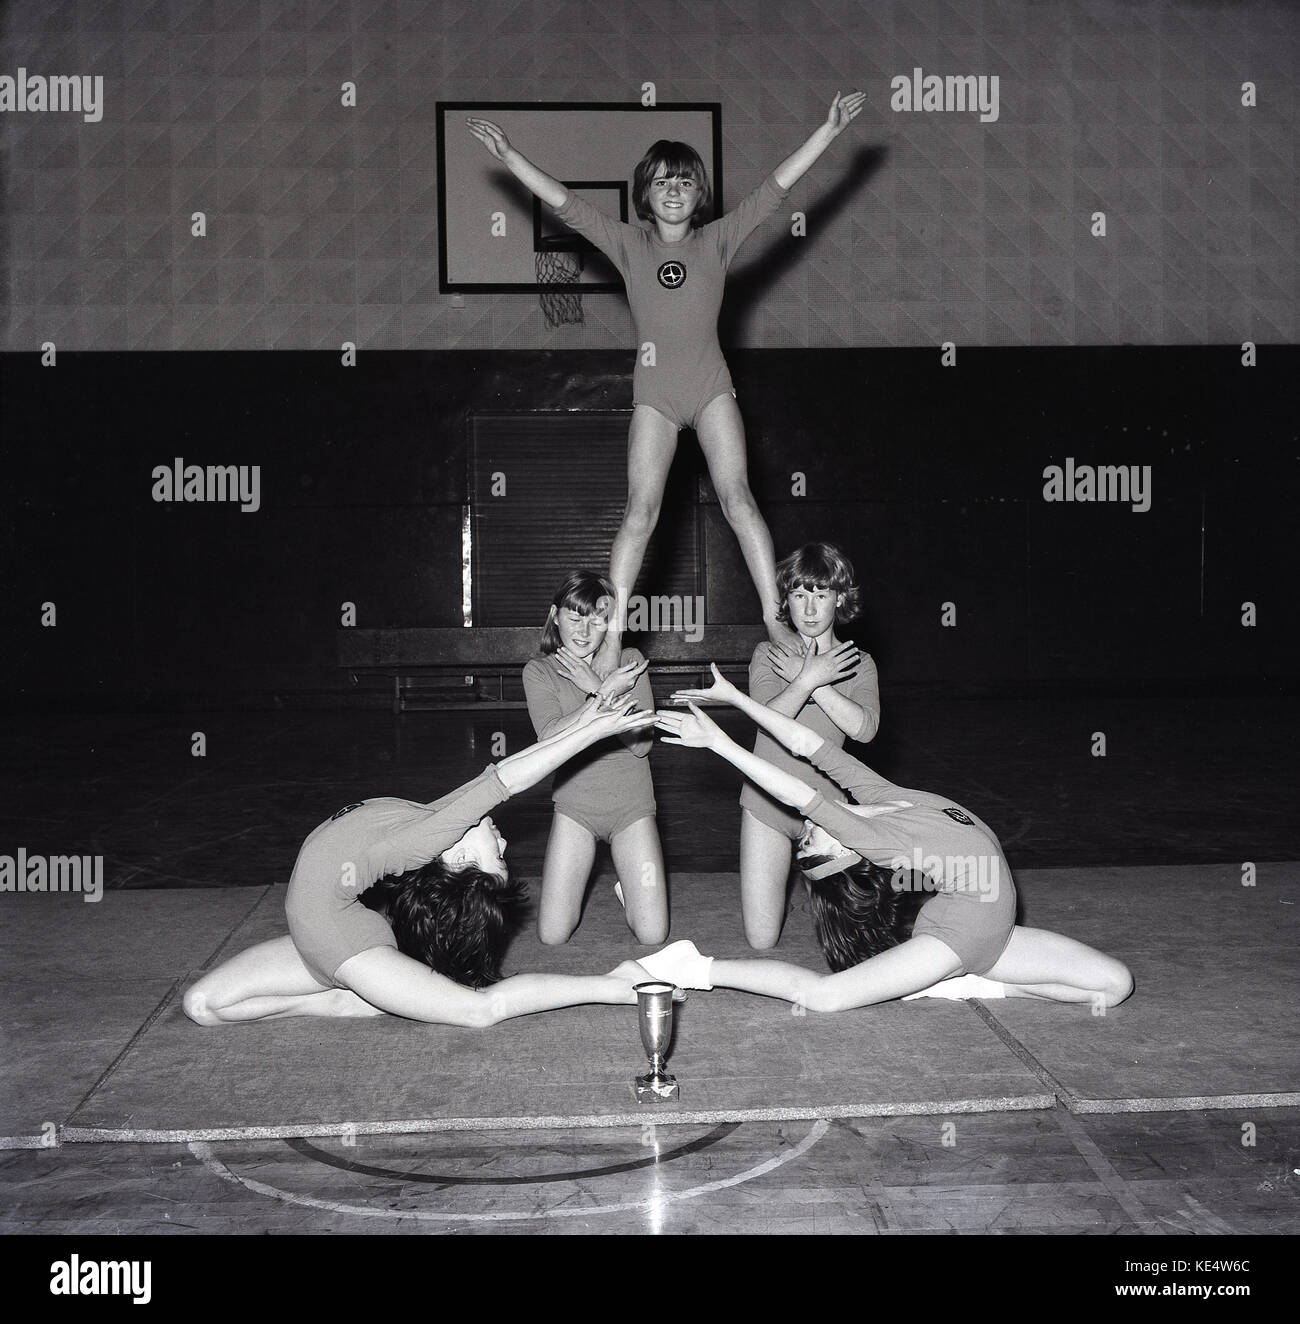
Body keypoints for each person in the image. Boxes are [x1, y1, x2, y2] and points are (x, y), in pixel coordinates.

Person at [467, 92, 868, 664]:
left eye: (683, 181)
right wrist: (510, 155)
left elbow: (775, 189)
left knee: (738, 498)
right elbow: (565, 203)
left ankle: (774, 620)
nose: (673, 190)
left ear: (699, 194)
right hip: (654, 396)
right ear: (645, 197)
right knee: (640, 511)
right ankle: (611, 638)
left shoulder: (718, 240)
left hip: (710, 389)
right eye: (661, 182)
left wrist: (827, 133)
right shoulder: (630, 245)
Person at [650, 669, 1133, 1011]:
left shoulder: (879, 795)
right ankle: (693, 966)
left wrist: (737, 700)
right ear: (848, 852)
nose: (808, 833)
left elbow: (806, 745)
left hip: (989, 938)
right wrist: (719, 745)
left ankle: (961, 985)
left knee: (1113, 986)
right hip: (955, 939)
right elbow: (798, 794)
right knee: (824, 996)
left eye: (804, 843)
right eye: (815, 842)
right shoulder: (876, 839)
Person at [183, 700, 658, 1027]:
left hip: (344, 946)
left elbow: (506, 781)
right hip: (322, 941)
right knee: (201, 1005)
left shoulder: (421, 841)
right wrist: (585, 721)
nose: (504, 838)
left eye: (497, 854)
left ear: (458, 857)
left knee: (479, 1010)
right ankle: (351, 998)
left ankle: (612, 983)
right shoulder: (434, 825)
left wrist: (595, 732)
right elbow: (498, 775)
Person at [739, 542, 879, 947]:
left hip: (827, 809)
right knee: (761, 940)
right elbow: (765, 721)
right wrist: (804, 678)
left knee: (854, 937)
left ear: (840, 599)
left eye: (821, 595)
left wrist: (815, 681)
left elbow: (865, 729)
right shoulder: (768, 654)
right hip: (766, 804)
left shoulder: (857, 663)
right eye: (800, 595)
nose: (810, 608)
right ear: (786, 600)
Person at [522, 571, 668, 944]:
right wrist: (601, 694)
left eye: (597, 620)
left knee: (653, 934)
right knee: (553, 935)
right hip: (576, 809)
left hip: (631, 807)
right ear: (555, 616)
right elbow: (549, 741)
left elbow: (641, 744)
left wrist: (596, 685)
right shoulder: (538, 671)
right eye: (574, 619)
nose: (584, 632)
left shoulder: (630, 660)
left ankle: (630, 890)